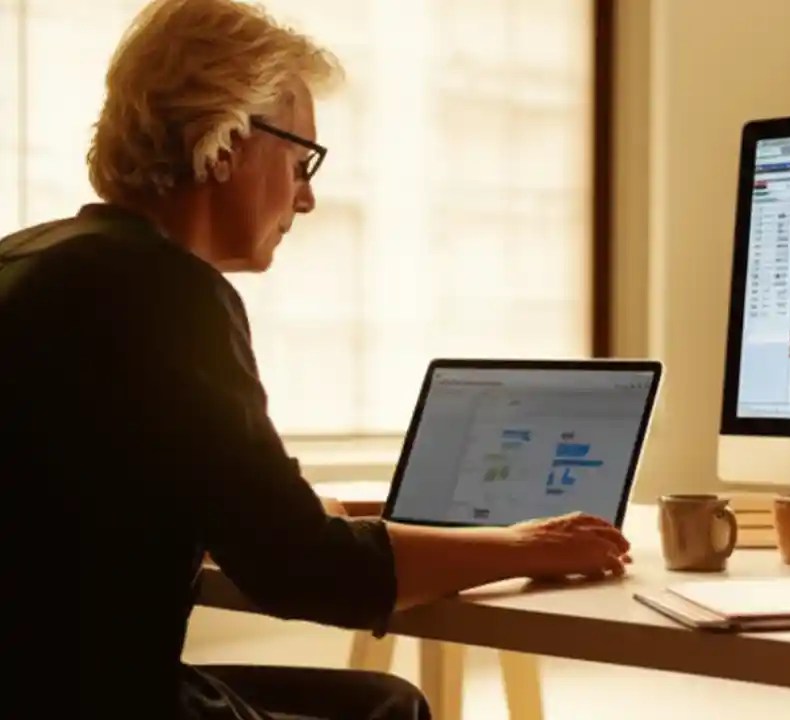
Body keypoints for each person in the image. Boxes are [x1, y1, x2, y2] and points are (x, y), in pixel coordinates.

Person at [0, 0, 630, 718]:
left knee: (381, 697)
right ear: (227, 138)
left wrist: (299, 516)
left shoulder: (26, 261)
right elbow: (304, 572)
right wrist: (523, 546)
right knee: (387, 711)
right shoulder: (170, 291)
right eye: (301, 160)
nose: (306, 198)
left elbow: (100, 504)